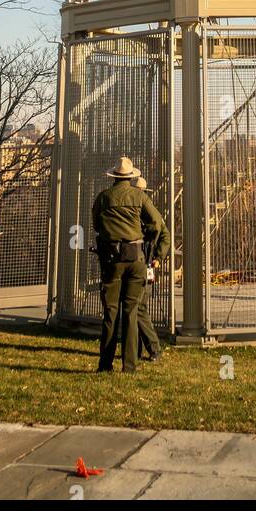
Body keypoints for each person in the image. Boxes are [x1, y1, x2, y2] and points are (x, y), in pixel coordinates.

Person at [92, 156, 167, 375]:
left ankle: (105, 364)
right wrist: (145, 237)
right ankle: (129, 365)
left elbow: (96, 223)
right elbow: (155, 223)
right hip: (135, 259)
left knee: (110, 312)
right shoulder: (139, 197)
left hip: (111, 260)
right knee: (131, 311)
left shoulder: (103, 197)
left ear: (114, 176)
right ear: (131, 176)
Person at [133, 175, 169, 363]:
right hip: (140, 262)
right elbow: (165, 236)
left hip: (145, 262)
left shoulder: (148, 213)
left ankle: (153, 348)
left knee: (138, 306)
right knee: (137, 306)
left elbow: (165, 236)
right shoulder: (151, 212)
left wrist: (158, 258)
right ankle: (136, 351)